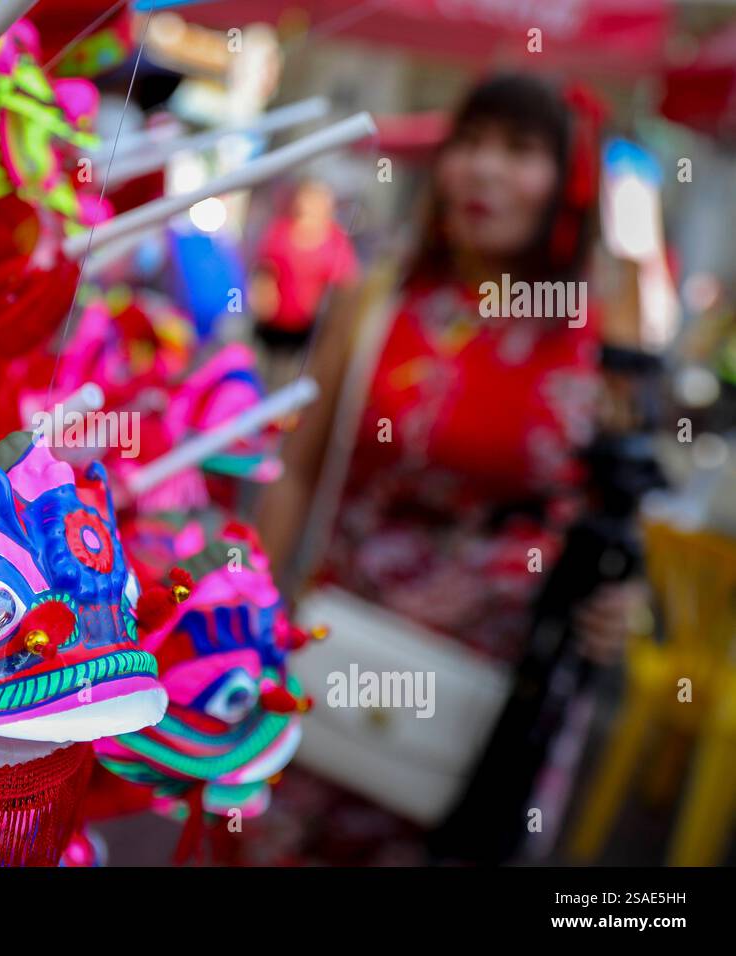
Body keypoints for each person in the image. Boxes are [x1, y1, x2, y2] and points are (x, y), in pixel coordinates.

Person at [256, 74, 647, 864]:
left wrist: (623, 601)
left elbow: (620, 507)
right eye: (469, 142)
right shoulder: (377, 302)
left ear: (568, 180)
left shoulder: (602, 330)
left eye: (519, 149)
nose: (484, 169)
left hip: (497, 699)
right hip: (336, 656)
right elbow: (295, 469)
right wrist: (254, 608)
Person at [249, 179, 360, 390]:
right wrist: (263, 295)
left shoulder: (335, 241)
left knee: (291, 384)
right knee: (262, 378)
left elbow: (347, 284)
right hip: (272, 325)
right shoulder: (280, 232)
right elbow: (264, 270)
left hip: (307, 330)